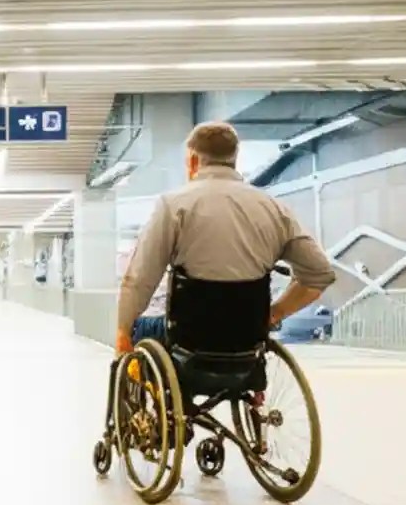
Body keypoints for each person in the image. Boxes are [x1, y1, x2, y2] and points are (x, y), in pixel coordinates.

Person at [115, 122, 335, 354]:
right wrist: (275, 313)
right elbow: (320, 274)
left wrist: (123, 329)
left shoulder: (172, 206)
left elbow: (140, 278)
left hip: (188, 335)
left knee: (139, 328)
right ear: (234, 158)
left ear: (192, 160)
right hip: (249, 333)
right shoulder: (275, 209)